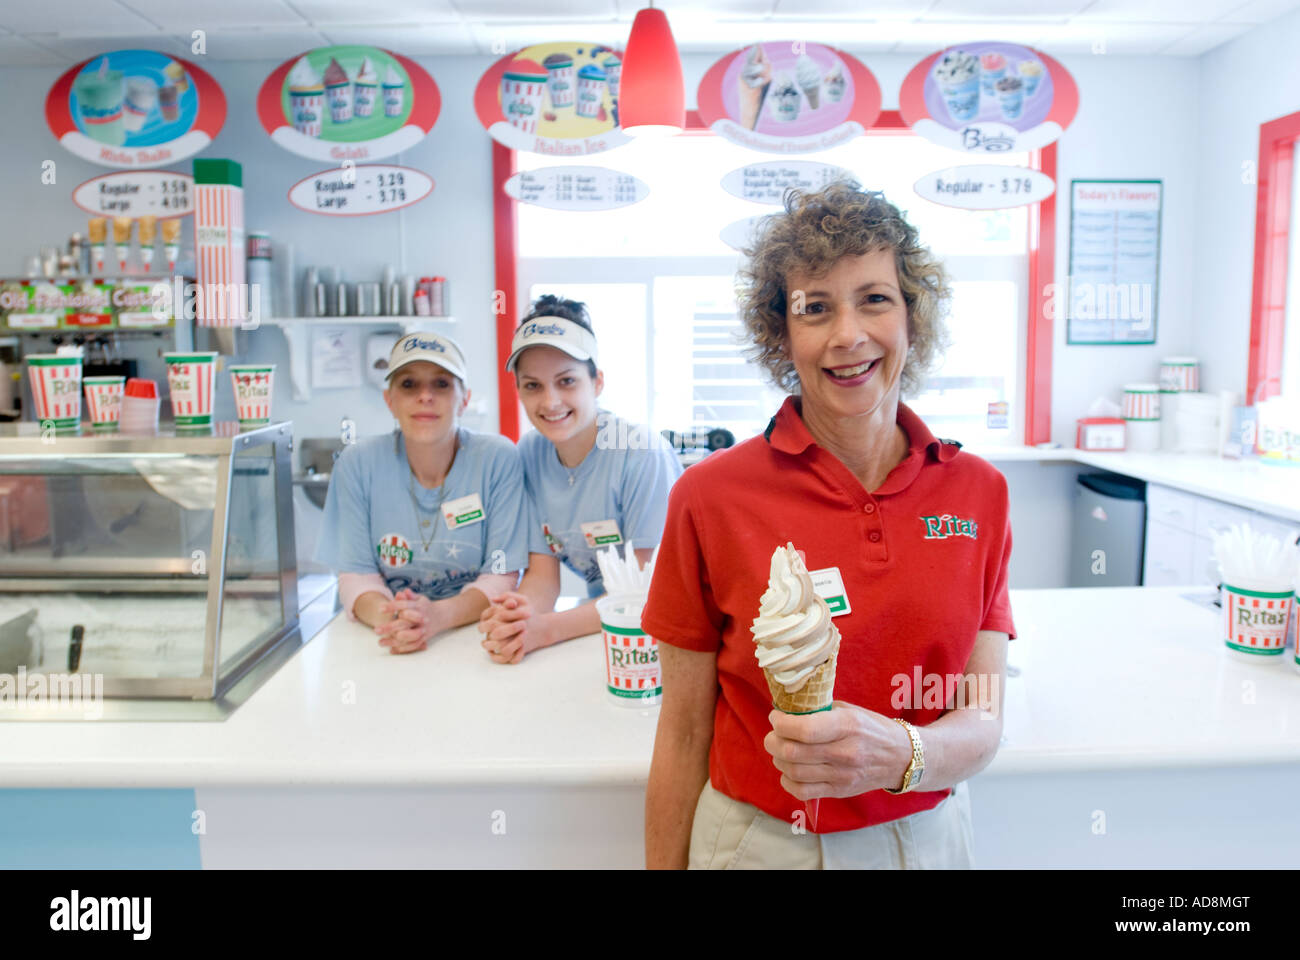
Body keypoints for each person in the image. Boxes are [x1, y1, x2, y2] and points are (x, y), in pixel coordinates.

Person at [641, 181, 1016, 869]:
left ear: (912, 317)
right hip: (758, 844)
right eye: (815, 309)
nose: (848, 336)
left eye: (874, 298)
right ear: (783, 334)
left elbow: (984, 718)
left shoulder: (979, 494)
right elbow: (684, 730)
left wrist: (903, 752)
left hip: (927, 840)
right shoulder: (709, 496)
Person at [477, 295, 682, 664]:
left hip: (668, 639)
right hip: (605, 634)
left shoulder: (640, 453)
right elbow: (543, 577)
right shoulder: (529, 456)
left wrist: (547, 629)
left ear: (597, 381)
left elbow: (645, 591)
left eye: (566, 381)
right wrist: (520, 615)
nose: (550, 401)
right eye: (533, 385)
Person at [315, 332, 529, 654]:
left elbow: (500, 576)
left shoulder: (498, 459)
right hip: (380, 643)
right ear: (390, 400)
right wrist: (396, 620)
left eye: (441, 384)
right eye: (409, 385)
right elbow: (356, 577)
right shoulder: (357, 464)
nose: (425, 396)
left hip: (475, 641)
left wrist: (438, 617)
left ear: (465, 399)